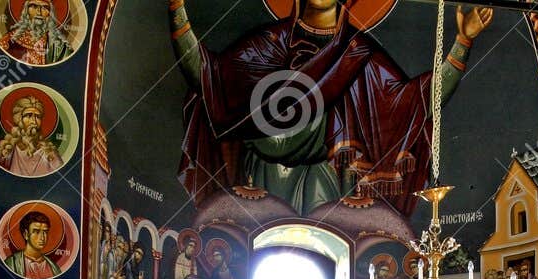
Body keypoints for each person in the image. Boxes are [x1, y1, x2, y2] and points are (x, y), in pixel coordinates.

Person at [169, 1, 493, 217]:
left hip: (325, 182)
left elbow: (419, 100)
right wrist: (177, 9)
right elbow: (207, 78)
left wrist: (462, 42)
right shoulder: (267, 44)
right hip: (261, 177)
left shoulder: (357, 55)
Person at [0, 93, 64, 177]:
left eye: (38, 116)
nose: (34, 121)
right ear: (18, 119)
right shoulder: (0, 149)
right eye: (28, 115)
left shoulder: (50, 153)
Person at [0, 0, 74, 65]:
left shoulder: (60, 47)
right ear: (26, 12)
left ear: (50, 15)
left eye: (44, 7)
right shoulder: (9, 40)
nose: (39, 12)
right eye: (34, 6)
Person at [4, 209, 61, 279]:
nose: (42, 237)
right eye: (36, 232)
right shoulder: (12, 263)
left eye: (45, 232)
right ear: (26, 234)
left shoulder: (54, 267)